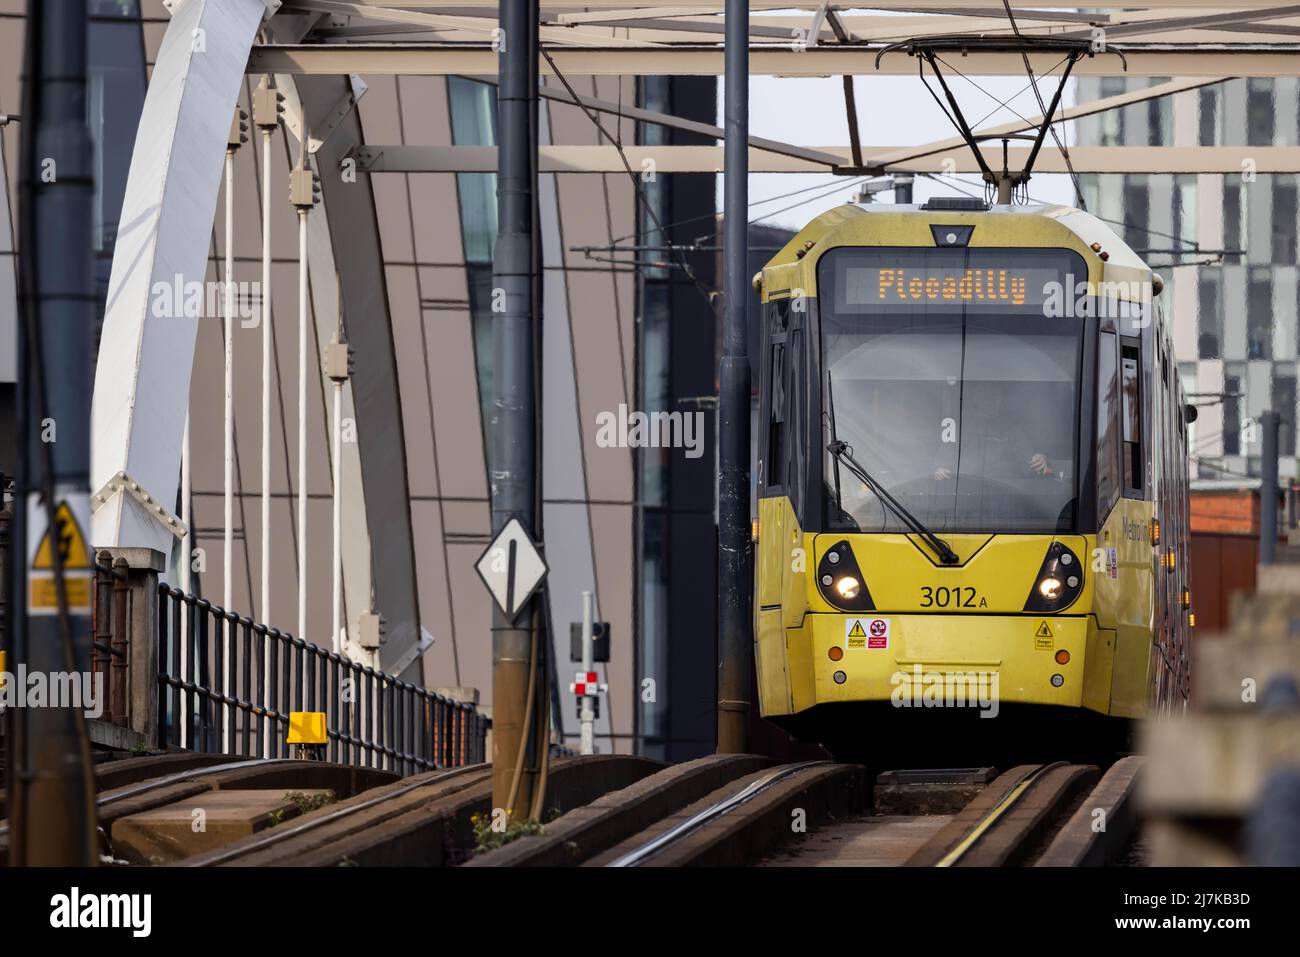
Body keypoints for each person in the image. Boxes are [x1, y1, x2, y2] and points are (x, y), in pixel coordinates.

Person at [933, 382, 1054, 482]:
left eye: (997, 395)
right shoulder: (958, 427)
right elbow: (945, 460)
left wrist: (1041, 460)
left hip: (1007, 493)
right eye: (988, 395)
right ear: (975, 398)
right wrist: (940, 470)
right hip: (966, 493)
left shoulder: (1010, 429)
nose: (995, 400)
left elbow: (1031, 463)